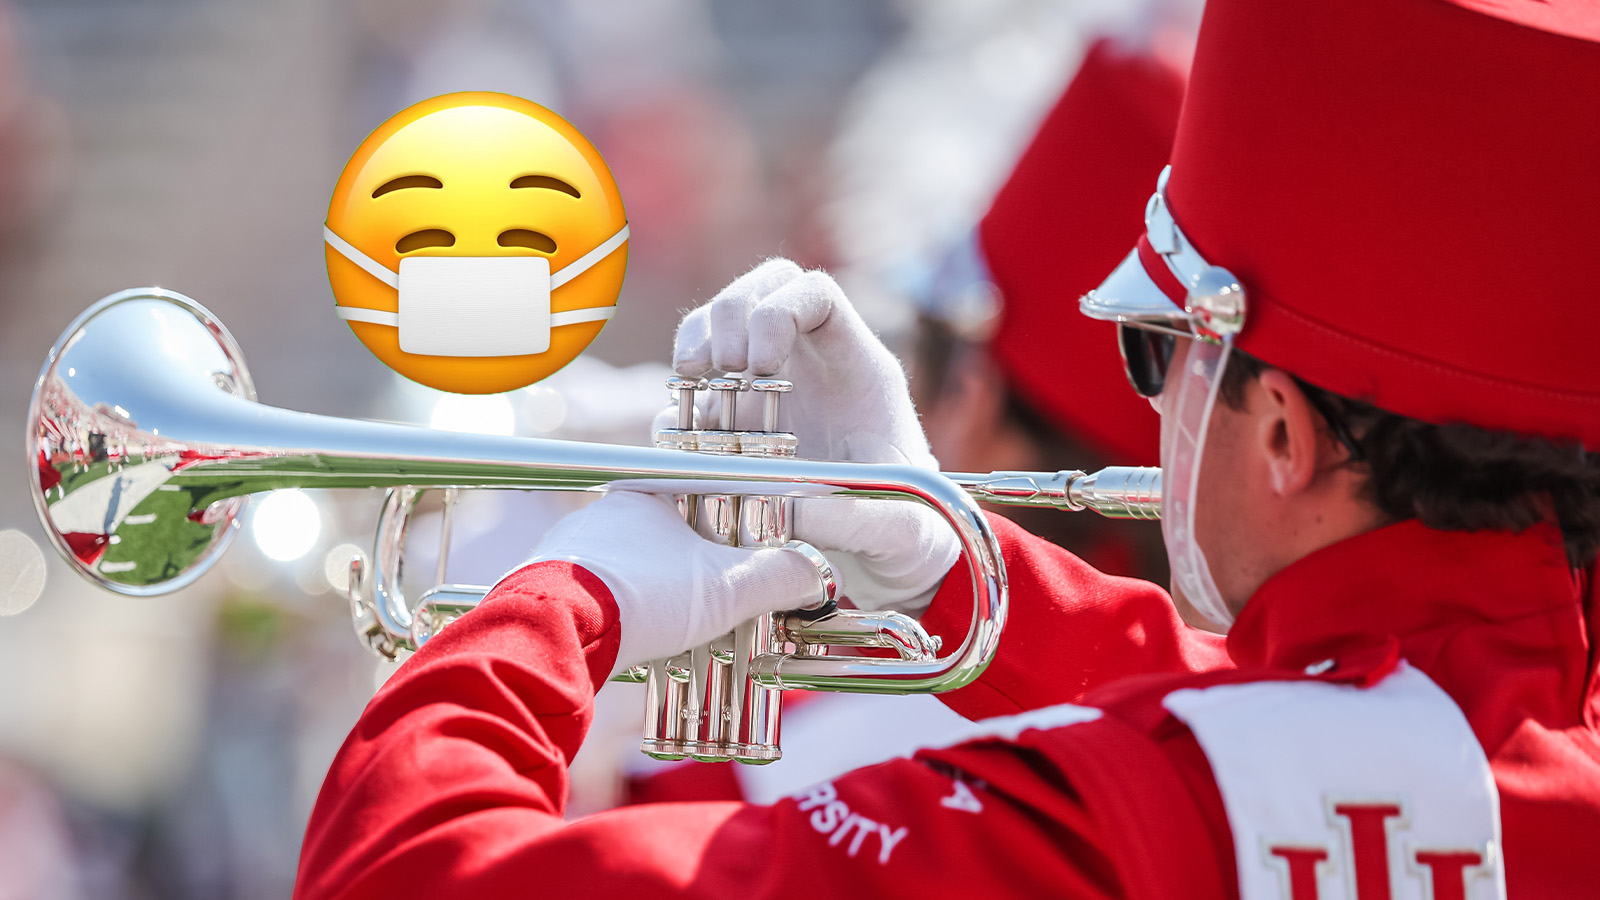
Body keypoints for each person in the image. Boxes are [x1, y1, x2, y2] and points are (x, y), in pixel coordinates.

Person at [293, 1, 1600, 898]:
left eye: (1162, 348)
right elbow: (1379, 707)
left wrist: (559, 603)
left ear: (1279, 432)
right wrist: (950, 567)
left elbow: (410, 876)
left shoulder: (1112, 816)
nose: (1150, 399)